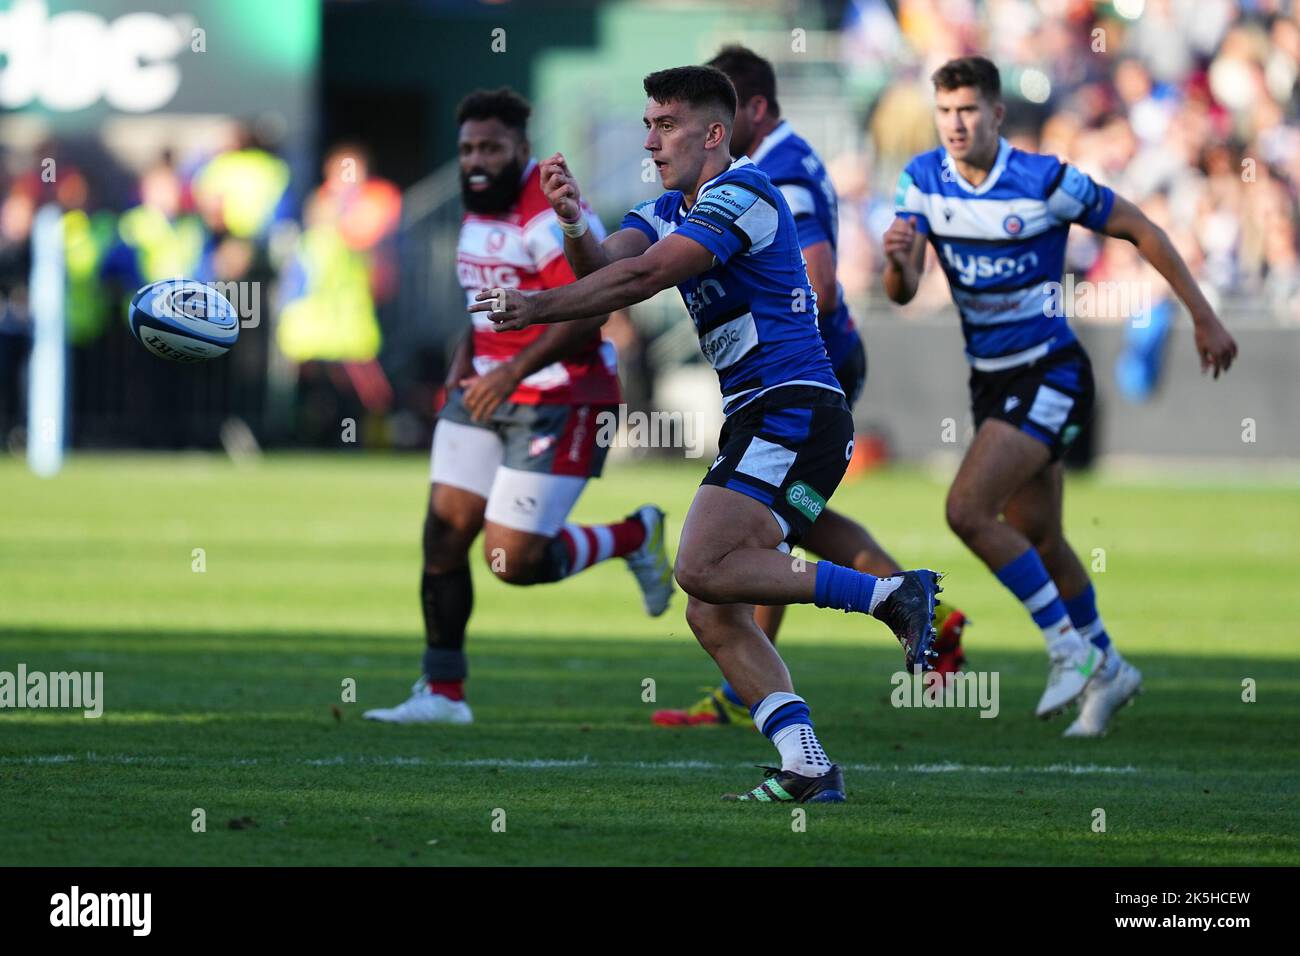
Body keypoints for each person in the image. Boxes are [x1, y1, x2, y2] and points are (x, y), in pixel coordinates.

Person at [472, 67, 942, 802]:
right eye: (648, 124)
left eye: (666, 125)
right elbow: (608, 263)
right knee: (710, 606)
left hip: (795, 411)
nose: (651, 139)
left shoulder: (745, 194)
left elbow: (643, 280)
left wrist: (536, 304)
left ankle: (888, 595)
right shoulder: (670, 207)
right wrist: (571, 221)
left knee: (699, 564)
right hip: (767, 420)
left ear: (715, 133)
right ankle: (807, 764)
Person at [883, 56, 1238, 736]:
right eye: (945, 112)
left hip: (1051, 371)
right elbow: (902, 292)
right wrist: (899, 261)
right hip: (989, 379)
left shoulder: (1044, 180)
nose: (955, 124)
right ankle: (1109, 665)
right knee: (1041, 535)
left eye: (967, 111)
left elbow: (1142, 229)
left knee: (966, 508)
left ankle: (1068, 650)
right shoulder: (921, 181)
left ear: (995, 114)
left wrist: (1204, 315)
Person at [651, 45, 970, 729]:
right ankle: (924, 616)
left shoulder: (778, 172)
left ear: (753, 110)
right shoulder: (769, 166)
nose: (696, 128)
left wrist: (782, 351)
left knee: (753, 533)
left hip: (802, 376)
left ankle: (881, 615)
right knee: (792, 518)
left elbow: (818, 284)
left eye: (720, 110)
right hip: (801, 377)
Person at [364, 88, 673, 726]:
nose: (476, 160)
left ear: (521, 151)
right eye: (467, 148)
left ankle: (632, 534)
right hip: (484, 388)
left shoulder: (544, 210)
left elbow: (591, 311)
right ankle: (443, 694)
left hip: (562, 395)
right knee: (443, 538)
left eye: (491, 148)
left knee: (512, 561)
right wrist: (465, 368)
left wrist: (508, 371)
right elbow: (484, 303)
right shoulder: (479, 206)